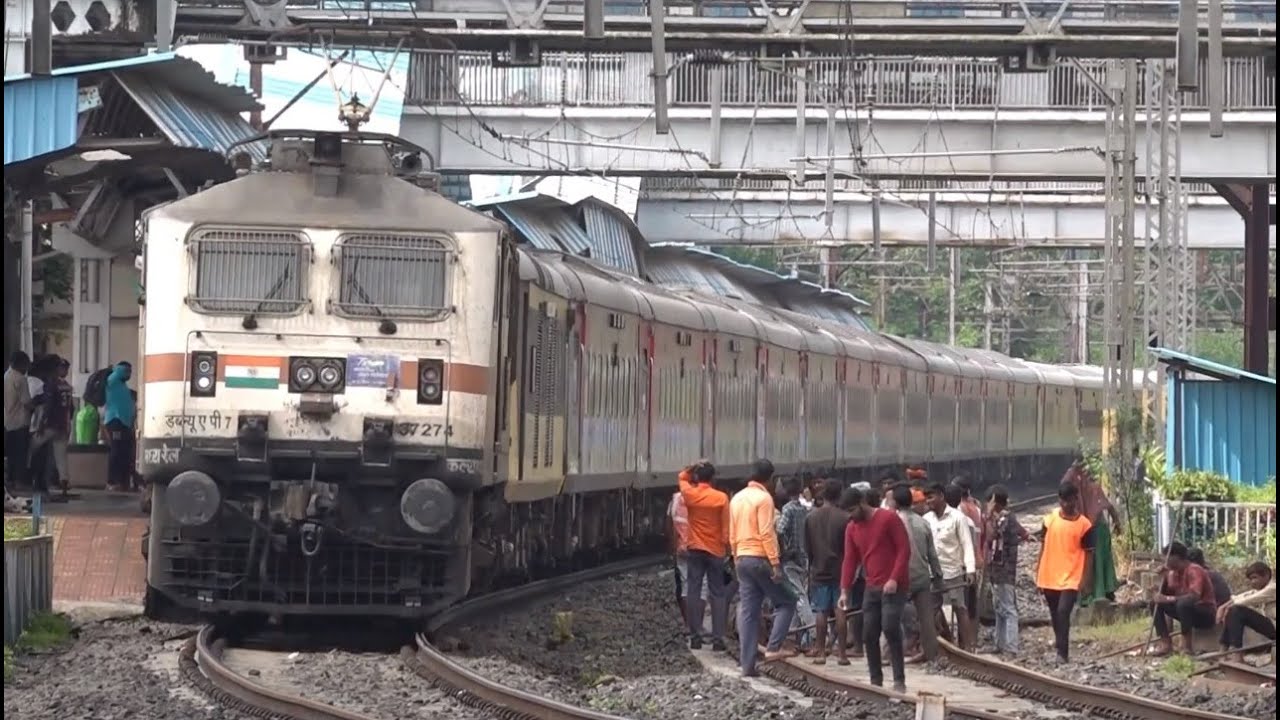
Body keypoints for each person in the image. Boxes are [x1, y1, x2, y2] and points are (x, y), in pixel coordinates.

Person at [839, 484, 911, 693]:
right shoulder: (852, 528)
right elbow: (850, 560)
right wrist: (844, 590)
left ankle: (899, 679)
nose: (851, 516)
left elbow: (903, 550)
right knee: (869, 633)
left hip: (894, 586)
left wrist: (894, 578)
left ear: (862, 504)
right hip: (871, 585)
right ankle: (875, 680)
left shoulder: (888, 519)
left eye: (853, 510)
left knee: (890, 626)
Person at [730, 459, 796, 675]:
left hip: (742, 558)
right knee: (787, 601)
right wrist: (775, 563)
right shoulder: (764, 499)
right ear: (770, 479)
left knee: (749, 612)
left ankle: (747, 666)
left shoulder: (737, 498)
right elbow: (766, 532)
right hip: (760, 558)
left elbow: (731, 532)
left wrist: (735, 556)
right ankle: (773, 648)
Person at [1035, 482, 1094, 663]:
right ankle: (1060, 644)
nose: (1067, 504)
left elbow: (1090, 554)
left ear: (1076, 499)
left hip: (1072, 576)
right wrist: (1037, 570)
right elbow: (1043, 545)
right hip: (1050, 574)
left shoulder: (1085, 525)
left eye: (1070, 500)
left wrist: (1085, 579)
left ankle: (1062, 652)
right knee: (1054, 613)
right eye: (1064, 501)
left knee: (1063, 612)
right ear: (1060, 501)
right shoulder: (1049, 520)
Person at [677, 460, 731, 651]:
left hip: (695, 549)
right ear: (714, 478)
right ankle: (717, 639)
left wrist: (692, 466)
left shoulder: (690, 495)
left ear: (697, 478)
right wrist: (727, 548)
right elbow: (726, 529)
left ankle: (695, 636)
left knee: (693, 591)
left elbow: (681, 476)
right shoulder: (721, 498)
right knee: (717, 593)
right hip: (715, 550)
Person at [892, 483, 943, 664]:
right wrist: (938, 576)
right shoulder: (924, 523)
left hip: (900, 577)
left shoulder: (892, 521)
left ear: (896, 503)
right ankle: (931, 654)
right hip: (922, 575)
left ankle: (890, 653)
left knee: (893, 614)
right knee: (926, 617)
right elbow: (932, 554)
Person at [1062, 454, 1123, 607]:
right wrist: (1117, 523)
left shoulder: (1084, 486)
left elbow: (1106, 507)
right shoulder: (1089, 484)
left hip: (1095, 529)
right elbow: (1109, 507)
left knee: (1093, 561)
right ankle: (1101, 592)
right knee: (1095, 561)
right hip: (1093, 528)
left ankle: (1095, 594)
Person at [925, 482, 977, 649]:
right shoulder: (926, 520)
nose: (928, 501)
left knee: (960, 608)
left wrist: (970, 570)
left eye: (931, 497)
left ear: (941, 496)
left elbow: (966, 544)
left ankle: (968, 647)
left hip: (953, 572)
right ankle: (941, 644)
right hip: (932, 573)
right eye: (926, 498)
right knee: (932, 610)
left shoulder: (957, 517)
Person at [805, 478, 850, 666]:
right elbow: (849, 548)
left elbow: (807, 547)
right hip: (840, 570)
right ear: (840, 495)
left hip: (819, 569)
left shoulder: (811, 517)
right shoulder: (845, 517)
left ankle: (821, 652)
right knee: (840, 611)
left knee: (821, 612)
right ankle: (841, 654)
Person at [984, 484, 1030, 655]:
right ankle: (1000, 643)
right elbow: (1020, 530)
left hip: (1004, 570)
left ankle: (1010, 646)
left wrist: (988, 517)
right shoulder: (1006, 517)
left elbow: (990, 536)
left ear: (994, 502)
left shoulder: (1004, 519)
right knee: (999, 608)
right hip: (998, 570)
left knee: (1008, 609)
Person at [1150, 542, 1219, 656]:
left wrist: (1167, 598)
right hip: (1183, 610)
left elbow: (1194, 597)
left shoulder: (1194, 570)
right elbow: (1163, 596)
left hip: (1204, 612)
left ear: (1176, 557)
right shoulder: (1172, 574)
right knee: (1155, 604)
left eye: (1166, 558)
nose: (1164, 562)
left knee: (1184, 603)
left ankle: (1187, 646)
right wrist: (1161, 581)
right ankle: (1165, 643)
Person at [776, 475, 815, 650]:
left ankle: (814, 633)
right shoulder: (804, 509)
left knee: (798, 596)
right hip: (804, 557)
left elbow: (780, 530)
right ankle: (793, 634)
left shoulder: (788, 509)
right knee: (798, 594)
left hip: (790, 558)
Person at [668, 487, 709, 635]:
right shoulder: (706, 497)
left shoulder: (677, 498)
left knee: (686, 585)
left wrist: (673, 548)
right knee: (702, 585)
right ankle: (698, 625)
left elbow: (671, 526)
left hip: (683, 548)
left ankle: (688, 625)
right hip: (701, 547)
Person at [1216, 561, 1276, 663]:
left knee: (1237, 610)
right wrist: (1223, 607)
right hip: (1271, 626)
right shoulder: (1260, 590)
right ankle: (1223, 651)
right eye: (1251, 579)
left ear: (1266, 575)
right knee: (1234, 610)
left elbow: (1247, 600)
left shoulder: (1273, 588)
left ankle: (1236, 654)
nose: (1252, 582)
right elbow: (1240, 597)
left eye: (1255, 578)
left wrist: (1226, 607)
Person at [31, 356, 73, 499]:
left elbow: (48, 406)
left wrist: (42, 423)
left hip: (52, 424)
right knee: (61, 456)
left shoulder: (51, 384)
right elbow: (71, 408)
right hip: (64, 425)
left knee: (33, 446)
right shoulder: (67, 386)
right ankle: (64, 482)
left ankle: (24, 475)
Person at [4, 351, 35, 491]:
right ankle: (19, 481)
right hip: (20, 421)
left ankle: (10, 481)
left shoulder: (6, 376)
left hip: (8, 421)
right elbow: (26, 401)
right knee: (20, 454)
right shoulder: (21, 379)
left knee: (11, 453)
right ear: (21, 364)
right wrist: (37, 406)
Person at [103, 361, 137, 492]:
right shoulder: (114, 380)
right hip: (115, 421)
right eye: (127, 371)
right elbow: (112, 376)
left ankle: (123, 481)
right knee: (116, 451)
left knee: (124, 452)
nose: (129, 374)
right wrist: (116, 370)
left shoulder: (122, 385)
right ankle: (112, 481)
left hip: (124, 422)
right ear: (121, 370)